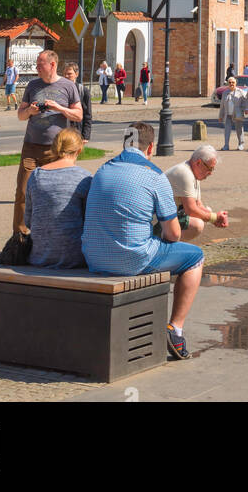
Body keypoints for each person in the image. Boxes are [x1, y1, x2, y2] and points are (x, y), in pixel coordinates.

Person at [82, 120, 204, 359]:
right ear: (150, 148)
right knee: (195, 258)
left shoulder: (102, 171)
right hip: (131, 260)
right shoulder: (156, 177)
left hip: (93, 257)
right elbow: (174, 234)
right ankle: (175, 329)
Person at [13, 49, 83, 233]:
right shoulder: (32, 85)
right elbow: (20, 115)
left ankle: (48, 234)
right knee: (22, 192)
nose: (37, 68)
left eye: (40, 64)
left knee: (54, 193)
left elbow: (79, 115)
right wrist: (30, 111)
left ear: (52, 65)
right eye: (36, 64)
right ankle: (19, 238)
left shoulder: (68, 86)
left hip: (56, 150)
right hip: (31, 147)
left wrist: (59, 108)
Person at [25, 127, 92, 268]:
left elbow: (28, 221)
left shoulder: (36, 175)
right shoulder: (84, 178)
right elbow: (90, 221)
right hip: (75, 257)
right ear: (78, 151)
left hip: (39, 256)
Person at [164, 145, 229, 241]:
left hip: (167, 216)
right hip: (156, 220)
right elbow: (190, 210)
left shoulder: (193, 173)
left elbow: (198, 205)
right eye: (210, 169)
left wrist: (216, 217)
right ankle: (166, 247)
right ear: (199, 163)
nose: (210, 173)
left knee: (205, 212)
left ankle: (171, 245)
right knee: (197, 225)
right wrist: (214, 218)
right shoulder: (184, 173)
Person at [63, 63, 93, 142]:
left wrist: (85, 136)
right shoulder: (60, 90)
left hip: (76, 131)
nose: (66, 76)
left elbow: (87, 115)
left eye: (69, 74)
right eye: (64, 74)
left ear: (76, 74)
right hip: (62, 131)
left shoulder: (83, 91)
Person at [218, 75, 248, 150]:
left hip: (237, 114)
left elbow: (245, 102)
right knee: (227, 130)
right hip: (227, 114)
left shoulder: (240, 91)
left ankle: (241, 144)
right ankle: (226, 145)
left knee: (239, 129)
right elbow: (222, 105)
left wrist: (245, 109)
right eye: (230, 82)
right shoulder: (225, 92)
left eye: (233, 82)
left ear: (235, 83)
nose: (231, 84)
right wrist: (220, 116)